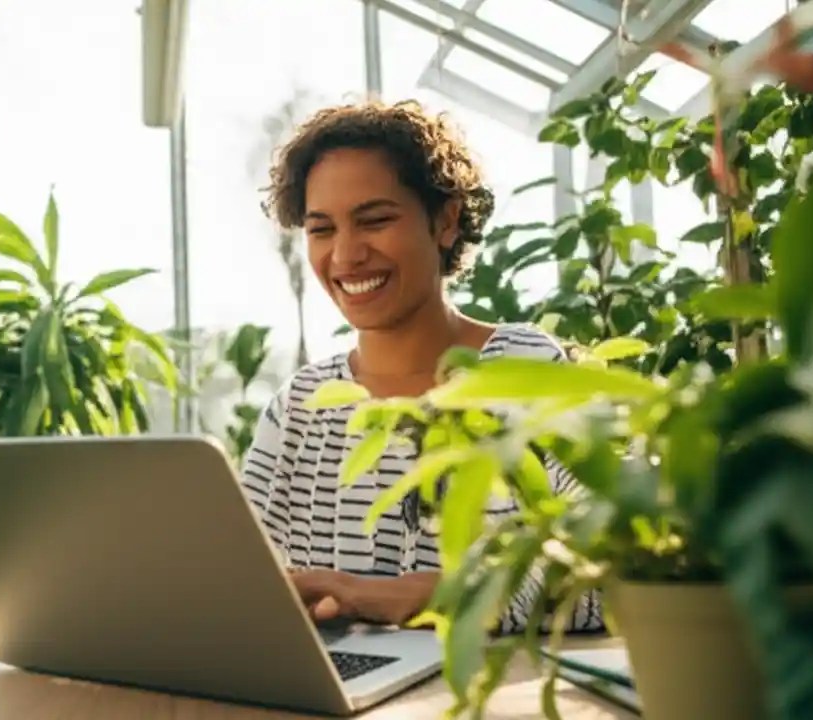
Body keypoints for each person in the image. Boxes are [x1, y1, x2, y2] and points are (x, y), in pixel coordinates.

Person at [242, 100, 601, 634]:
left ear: (446, 221)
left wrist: (409, 595)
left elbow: (616, 562)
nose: (345, 256)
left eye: (375, 220)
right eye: (322, 230)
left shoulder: (533, 373)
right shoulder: (301, 406)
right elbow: (234, 582)